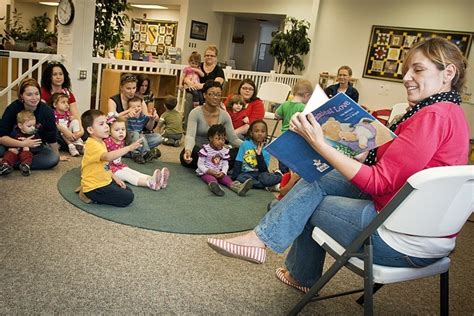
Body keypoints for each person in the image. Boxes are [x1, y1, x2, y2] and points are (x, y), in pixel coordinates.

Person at [207, 38, 469, 294]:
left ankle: (292, 265)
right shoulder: (448, 111)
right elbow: (392, 168)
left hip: (400, 239)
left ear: (448, 73)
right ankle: (264, 239)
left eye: (418, 69)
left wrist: (321, 144)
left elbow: (379, 181)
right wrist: (343, 148)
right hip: (417, 224)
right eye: (407, 69)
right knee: (319, 180)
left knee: (304, 205)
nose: (406, 77)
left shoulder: (432, 115)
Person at [80, 109, 142, 207]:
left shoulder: (101, 142)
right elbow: (108, 157)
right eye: (101, 124)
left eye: (106, 123)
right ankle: (87, 194)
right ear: (90, 130)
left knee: (127, 189)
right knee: (128, 198)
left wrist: (115, 178)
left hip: (104, 181)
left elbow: (106, 165)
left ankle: (88, 191)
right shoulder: (92, 145)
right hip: (95, 187)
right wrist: (129, 148)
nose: (106, 126)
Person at [0, 78, 60, 171]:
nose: (34, 98)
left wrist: (57, 155)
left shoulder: (47, 112)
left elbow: (52, 138)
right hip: (11, 145)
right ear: (21, 96)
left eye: (37, 94)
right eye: (29, 94)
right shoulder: (12, 109)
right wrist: (22, 143)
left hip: (33, 148)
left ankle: (7, 162)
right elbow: (2, 137)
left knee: (52, 159)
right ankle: (13, 162)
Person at [180, 80, 242, 170]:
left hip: (217, 153)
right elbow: (190, 136)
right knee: (192, 153)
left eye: (218, 95)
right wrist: (188, 150)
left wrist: (249, 147)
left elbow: (233, 139)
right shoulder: (195, 113)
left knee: (239, 152)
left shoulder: (225, 115)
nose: (215, 97)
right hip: (199, 151)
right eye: (211, 94)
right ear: (205, 95)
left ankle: (212, 165)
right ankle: (215, 166)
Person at [104, 116, 170, 191]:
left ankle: (155, 179)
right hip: (110, 170)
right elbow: (104, 162)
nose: (121, 132)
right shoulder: (107, 142)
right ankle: (149, 183)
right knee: (128, 176)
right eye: (117, 130)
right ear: (109, 131)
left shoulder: (121, 141)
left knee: (133, 172)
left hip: (119, 166)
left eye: (123, 129)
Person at [108, 74, 162, 156]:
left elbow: (148, 127)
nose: (132, 91)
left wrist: (152, 118)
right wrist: (127, 114)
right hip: (120, 136)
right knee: (136, 134)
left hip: (138, 136)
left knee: (157, 138)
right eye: (128, 88)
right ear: (121, 88)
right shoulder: (113, 100)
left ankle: (130, 152)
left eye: (134, 88)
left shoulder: (139, 100)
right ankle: (143, 152)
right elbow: (111, 121)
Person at [196, 124, 253, 197]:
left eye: (223, 139)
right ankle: (215, 187)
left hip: (219, 172)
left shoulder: (224, 151)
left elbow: (226, 164)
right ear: (210, 138)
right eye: (218, 139)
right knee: (211, 178)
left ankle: (238, 188)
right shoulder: (205, 149)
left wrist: (223, 172)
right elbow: (200, 164)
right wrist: (208, 171)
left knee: (227, 179)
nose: (221, 142)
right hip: (207, 172)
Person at [41, 61, 84, 145]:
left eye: (61, 74)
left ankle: (72, 142)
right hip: (54, 126)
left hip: (67, 123)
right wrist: (64, 130)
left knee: (85, 131)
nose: (58, 77)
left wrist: (81, 131)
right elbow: (45, 118)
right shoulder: (43, 93)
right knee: (53, 133)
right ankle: (72, 144)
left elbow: (76, 115)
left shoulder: (68, 93)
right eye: (55, 74)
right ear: (49, 77)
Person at [274, 79, 313, 173]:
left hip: (283, 135)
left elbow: (277, 115)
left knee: (283, 157)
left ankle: (282, 174)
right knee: (294, 158)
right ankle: (291, 176)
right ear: (306, 95)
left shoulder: (285, 104)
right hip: (296, 136)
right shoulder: (303, 107)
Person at [231, 120, 282, 190]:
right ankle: (266, 186)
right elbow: (238, 161)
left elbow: (264, 170)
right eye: (256, 131)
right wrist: (234, 177)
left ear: (266, 133)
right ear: (251, 133)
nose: (260, 134)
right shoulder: (245, 144)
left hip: (260, 174)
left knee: (266, 179)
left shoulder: (267, 149)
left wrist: (259, 155)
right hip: (247, 173)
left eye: (263, 131)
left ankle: (278, 175)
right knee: (240, 178)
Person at [183, 45, 225, 129]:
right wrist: (187, 81)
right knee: (189, 96)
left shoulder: (219, 70)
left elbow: (217, 84)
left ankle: (203, 126)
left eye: (212, 55)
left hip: (210, 94)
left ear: (216, 57)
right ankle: (187, 125)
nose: (209, 57)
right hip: (195, 91)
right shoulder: (199, 66)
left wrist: (202, 86)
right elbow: (186, 75)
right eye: (207, 55)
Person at [121, 96, 161, 164]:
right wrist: (126, 115)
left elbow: (149, 128)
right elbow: (117, 119)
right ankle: (139, 153)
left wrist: (152, 119)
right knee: (136, 133)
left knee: (158, 137)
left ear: (142, 107)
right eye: (133, 107)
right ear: (129, 109)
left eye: (138, 106)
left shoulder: (143, 116)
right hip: (129, 139)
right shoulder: (128, 116)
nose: (136, 108)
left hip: (140, 138)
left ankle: (139, 153)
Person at [0, 110, 39, 176]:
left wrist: (29, 148)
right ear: (20, 126)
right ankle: (5, 166)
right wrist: (10, 148)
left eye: (34, 126)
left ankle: (25, 166)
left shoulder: (34, 135)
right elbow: (9, 142)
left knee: (27, 154)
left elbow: (38, 144)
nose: (33, 128)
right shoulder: (14, 133)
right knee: (9, 154)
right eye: (29, 126)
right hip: (15, 151)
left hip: (25, 152)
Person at [49, 92, 84, 157]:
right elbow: (54, 124)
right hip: (60, 134)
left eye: (67, 102)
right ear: (55, 105)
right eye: (63, 102)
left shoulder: (67, 113)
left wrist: (72, 118)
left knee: (75, 121)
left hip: (70, 132)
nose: (66, 104)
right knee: (63, 126)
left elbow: (71, 121)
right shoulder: (53, 113)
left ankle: (77, 140)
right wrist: (64, 129)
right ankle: (71, 146)